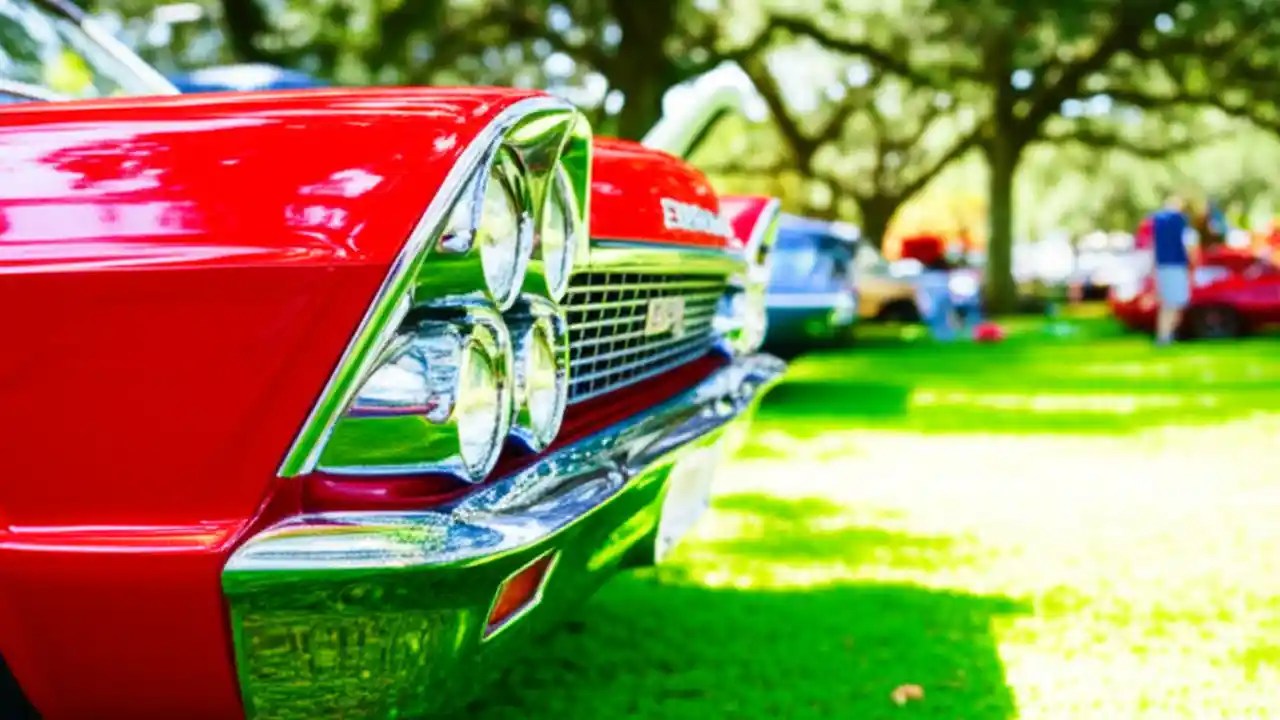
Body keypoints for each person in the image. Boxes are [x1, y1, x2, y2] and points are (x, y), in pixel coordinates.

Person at [1149, 196, 1192, 345]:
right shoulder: (1180, 222)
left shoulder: (1158, 222)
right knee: (1172, 304)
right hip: (1177, 265)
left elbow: (1153, 246)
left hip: (1163, 265)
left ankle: (1168, 334)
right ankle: (1165, 336)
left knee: (1170, 303)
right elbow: (1189, 244)